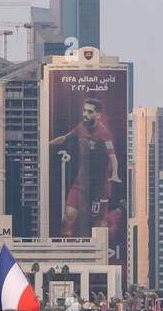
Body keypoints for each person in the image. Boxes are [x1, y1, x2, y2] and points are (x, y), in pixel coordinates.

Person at [49, 98, 120, 237]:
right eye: (84, 110)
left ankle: (97, 255)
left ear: (98, 115)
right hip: (81, 183)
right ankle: (66, 254)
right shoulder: (81, 126)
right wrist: (45, 144)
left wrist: (115, 174)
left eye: (90, 111)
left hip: (98, 186)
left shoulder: (104, 134)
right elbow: (64, 137)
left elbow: (113, 157)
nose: (85, 114)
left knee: (99, 224)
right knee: (68, 217)